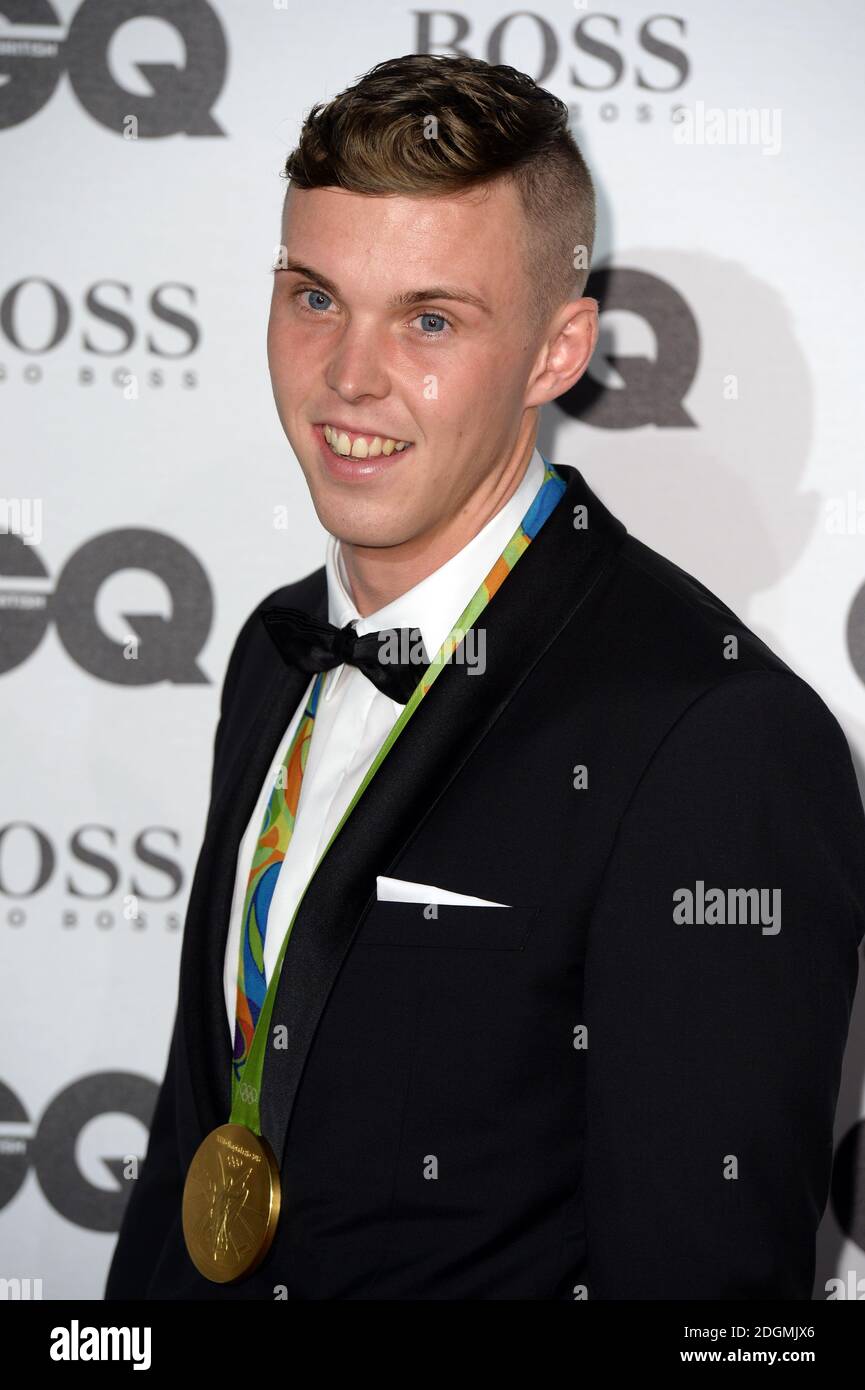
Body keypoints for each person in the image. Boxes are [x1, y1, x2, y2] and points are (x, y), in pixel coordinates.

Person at [105, 52, 865, 1301]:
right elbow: (207, 1122)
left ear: (558, 350)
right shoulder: (273, 645)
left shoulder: (713, 738)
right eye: (313, 298)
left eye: (431, 319)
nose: (347, 378)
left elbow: (702, 1289)